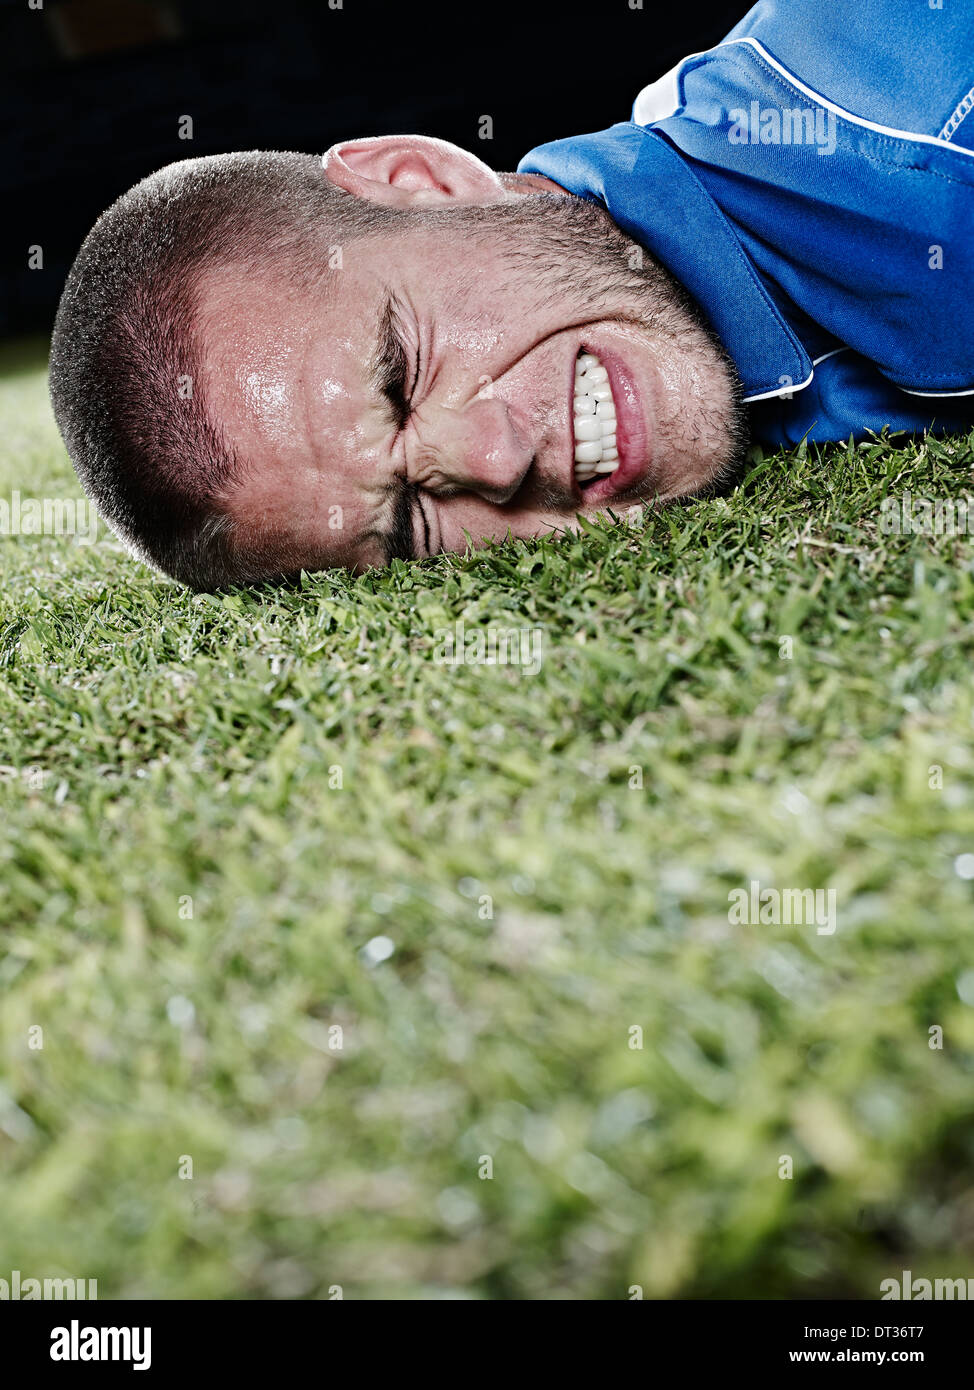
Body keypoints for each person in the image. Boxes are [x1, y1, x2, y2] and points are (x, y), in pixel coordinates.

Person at [49, 0, 974, 589]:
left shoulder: (914, 129)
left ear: (427, 180)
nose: (491, 461)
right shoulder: (654, 249)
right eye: (411, 520)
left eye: (400, 375)